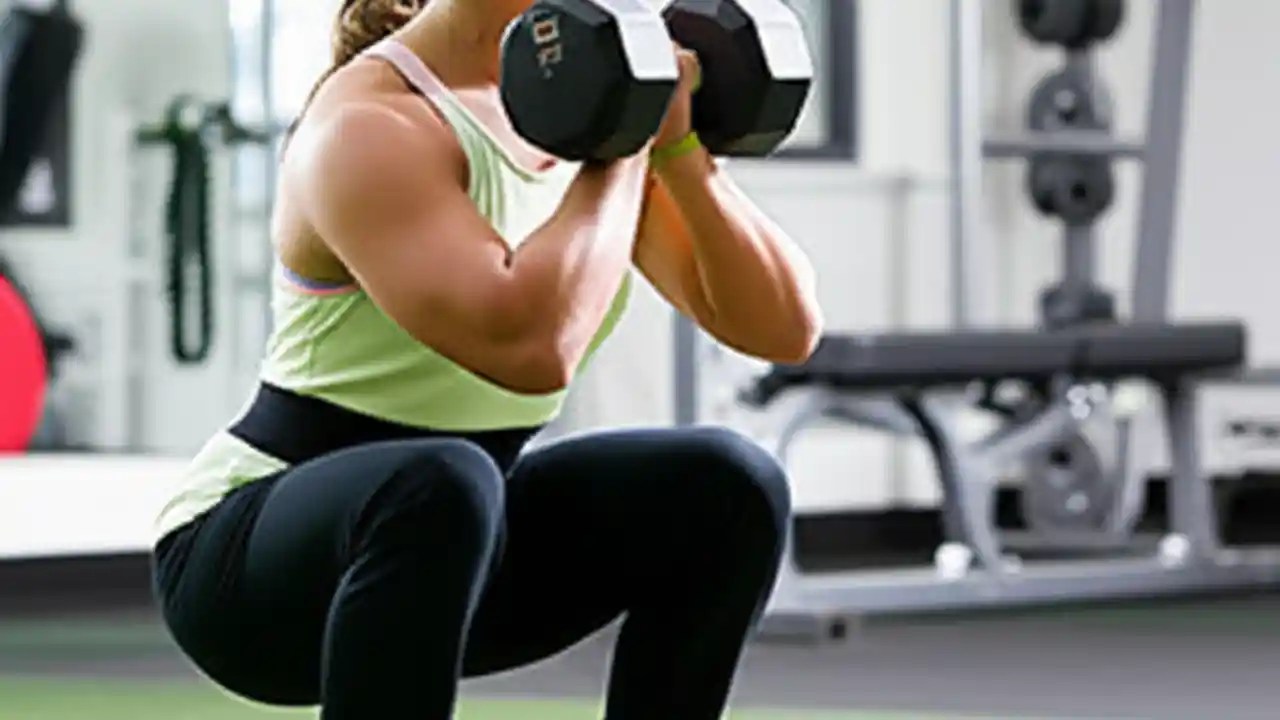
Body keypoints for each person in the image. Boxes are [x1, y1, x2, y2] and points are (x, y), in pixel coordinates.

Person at [150, 0, 823, 717]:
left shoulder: (572, 106)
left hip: (460, 538)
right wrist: (623, 145)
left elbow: (782, 329)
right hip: (254, 573)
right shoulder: (372, 124)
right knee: (441, 482)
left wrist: (683, 157)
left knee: (731, 486)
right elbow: (531, 348)